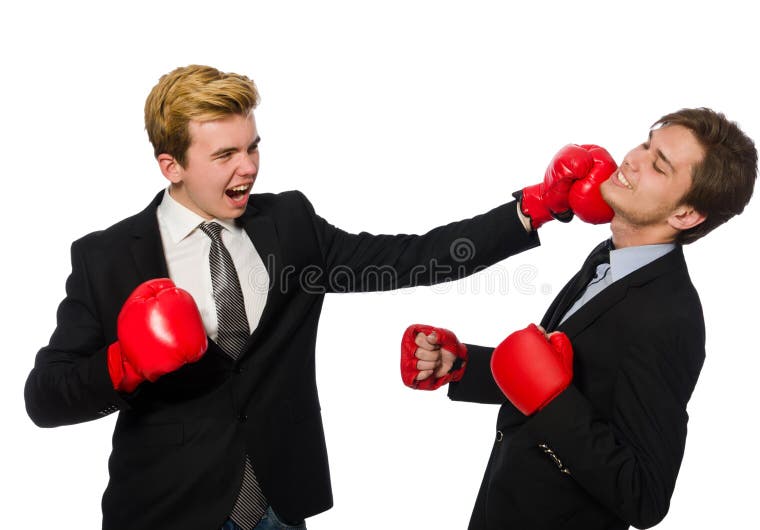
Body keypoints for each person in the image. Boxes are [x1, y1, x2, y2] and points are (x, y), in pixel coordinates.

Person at [23, 64, 615, 530]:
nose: (248, 168)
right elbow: (46, 398)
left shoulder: (289, 224)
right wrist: (124, 364)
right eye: (225, 155)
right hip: (162, 512)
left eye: (252, 147)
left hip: (279, 506)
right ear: (170, 165)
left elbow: (409, 258)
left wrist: (534, 209)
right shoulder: (106, 257)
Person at [400, 108, 757, 529]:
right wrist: (462, 366)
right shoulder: (610, 258)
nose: (632, 159)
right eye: (646, 144)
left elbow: (644, 496)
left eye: (658, 165)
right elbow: (562, 371)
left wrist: (553, 403)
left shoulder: (669, 318)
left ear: (685, 215)